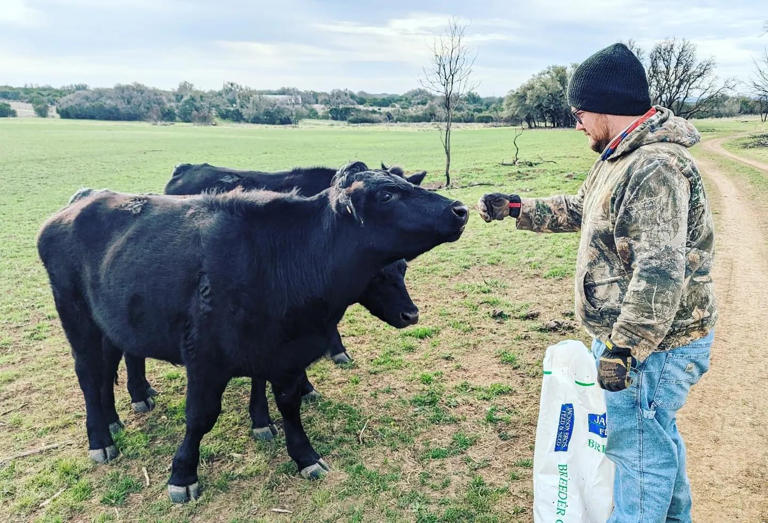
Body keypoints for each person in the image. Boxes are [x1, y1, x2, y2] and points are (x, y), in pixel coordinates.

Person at [477, 43, 717, 522]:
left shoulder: (654, 166)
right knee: (652, 438)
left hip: (654, 345)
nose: (577, 124)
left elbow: (659, 271)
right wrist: (518, 208)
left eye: (579, 113)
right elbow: (582, 208)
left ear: (605, 105)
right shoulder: (619, 157)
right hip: (635, 338)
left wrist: (625, 349)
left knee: (638, 452)